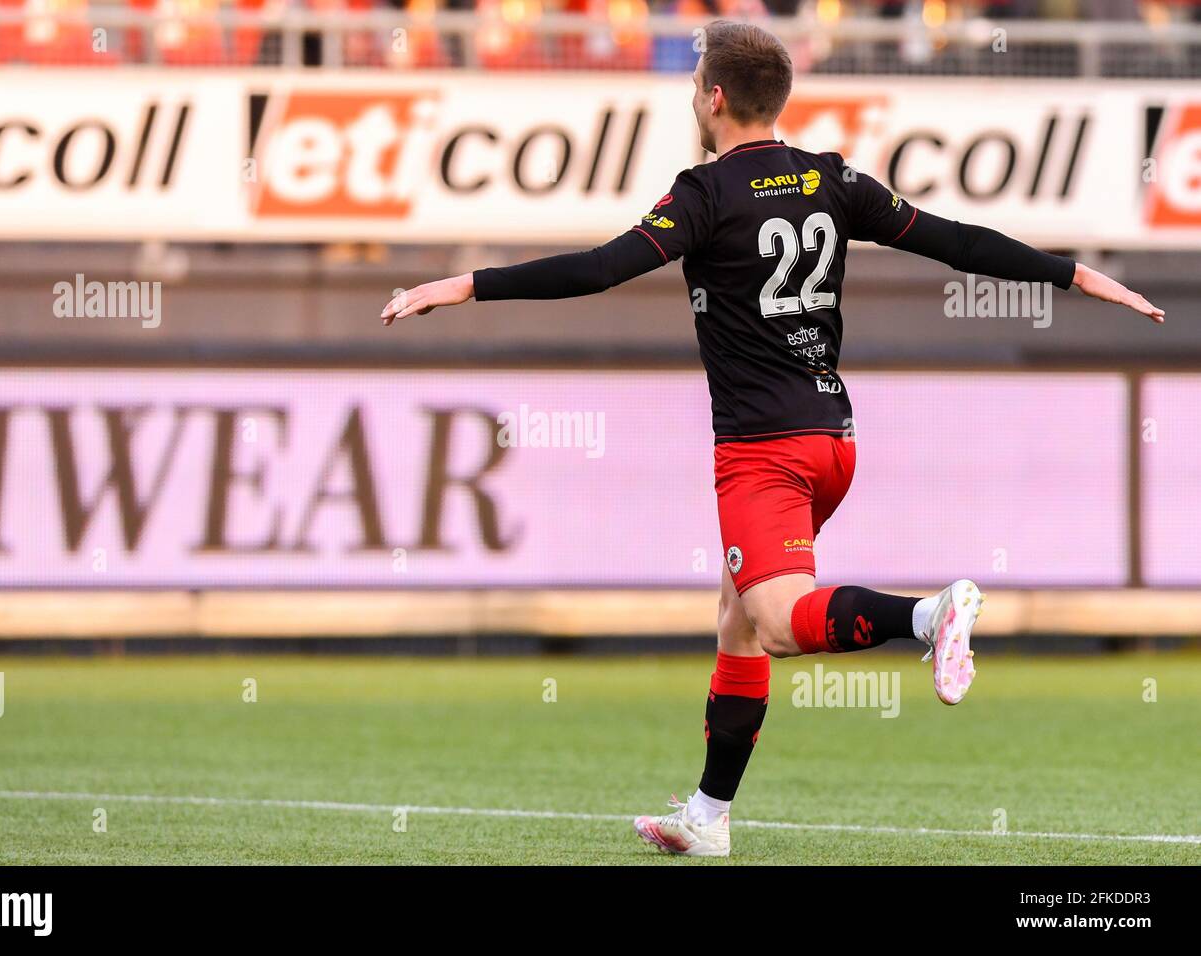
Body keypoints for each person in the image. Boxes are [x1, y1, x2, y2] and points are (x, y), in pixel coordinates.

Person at [379, 20, 1164, 858]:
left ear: (714, 98)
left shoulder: (703, 194)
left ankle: (932, 615)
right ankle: (709, 818)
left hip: (764, 450)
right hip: (833, 441)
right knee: (737, 622)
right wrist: (1073, 273)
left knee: (778, 623)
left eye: (695, 88)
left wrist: (464, 284)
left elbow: (600, 268)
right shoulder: (833, 180)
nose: (693, 99)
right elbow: (958, 243)